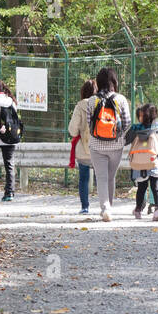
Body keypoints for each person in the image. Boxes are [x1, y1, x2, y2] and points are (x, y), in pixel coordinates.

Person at [83, 67, 132, 222]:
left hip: (97, 146)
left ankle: (106, 208)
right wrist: (119, 136)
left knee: (102, 178)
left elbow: (90, 124)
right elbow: (127, 123)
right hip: (116, 146)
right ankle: (108, 207)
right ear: (114, 81)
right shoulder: (121, 99)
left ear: (99, 81)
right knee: (111, 177)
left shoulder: (91, 100)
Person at [125, 103, 158, 222]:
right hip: (155, 161)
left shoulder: (135, 128)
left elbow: (126, 141)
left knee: (141, 187)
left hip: (139, 162)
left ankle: (138, 210)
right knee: (156, 186)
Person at [68, 78, 97, 215]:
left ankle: (85, 207)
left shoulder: (80, 106)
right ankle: (105, 205)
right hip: (100, 148)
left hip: (84, 149)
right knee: (103, 178)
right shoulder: (102, 104)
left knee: (83, 178)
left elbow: (72, 130)